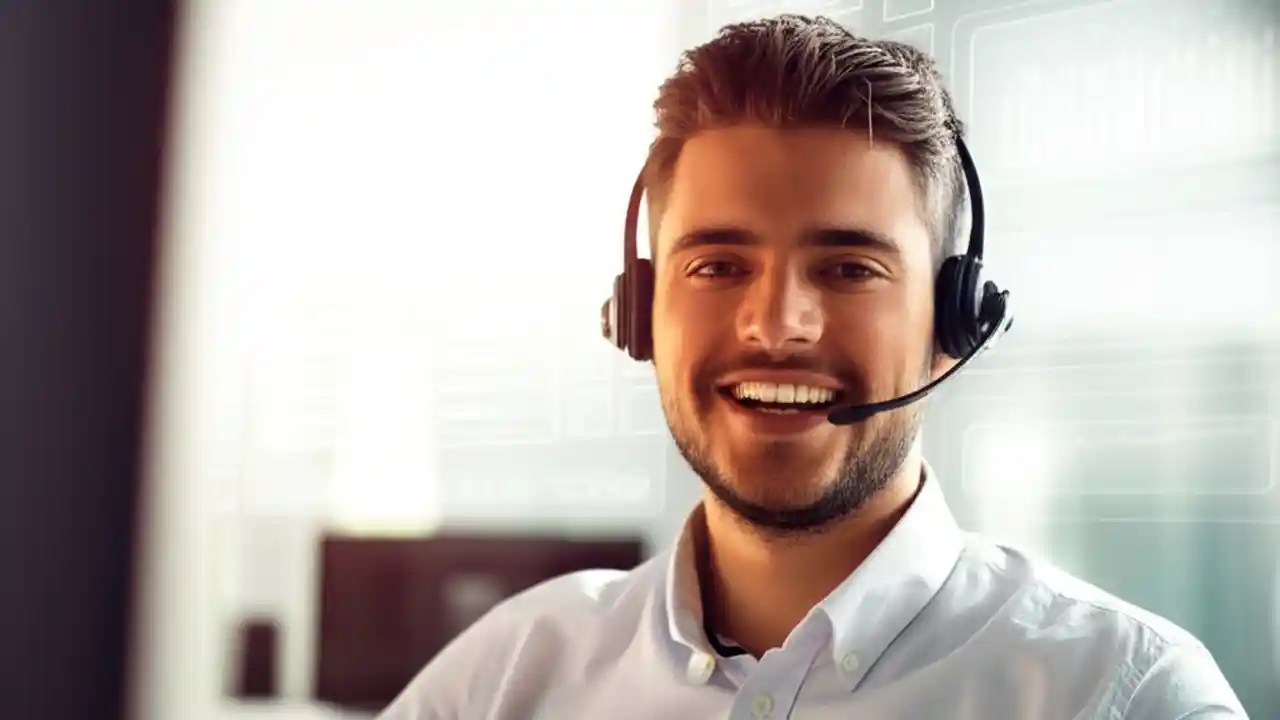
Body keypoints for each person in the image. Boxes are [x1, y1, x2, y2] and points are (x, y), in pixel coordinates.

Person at [379, 15, 1245, 719]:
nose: (776, 325)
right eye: (717, 265)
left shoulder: (1128, 693)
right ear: (640, 313)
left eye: (848, 269)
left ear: (955, 322)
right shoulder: (507, 675)